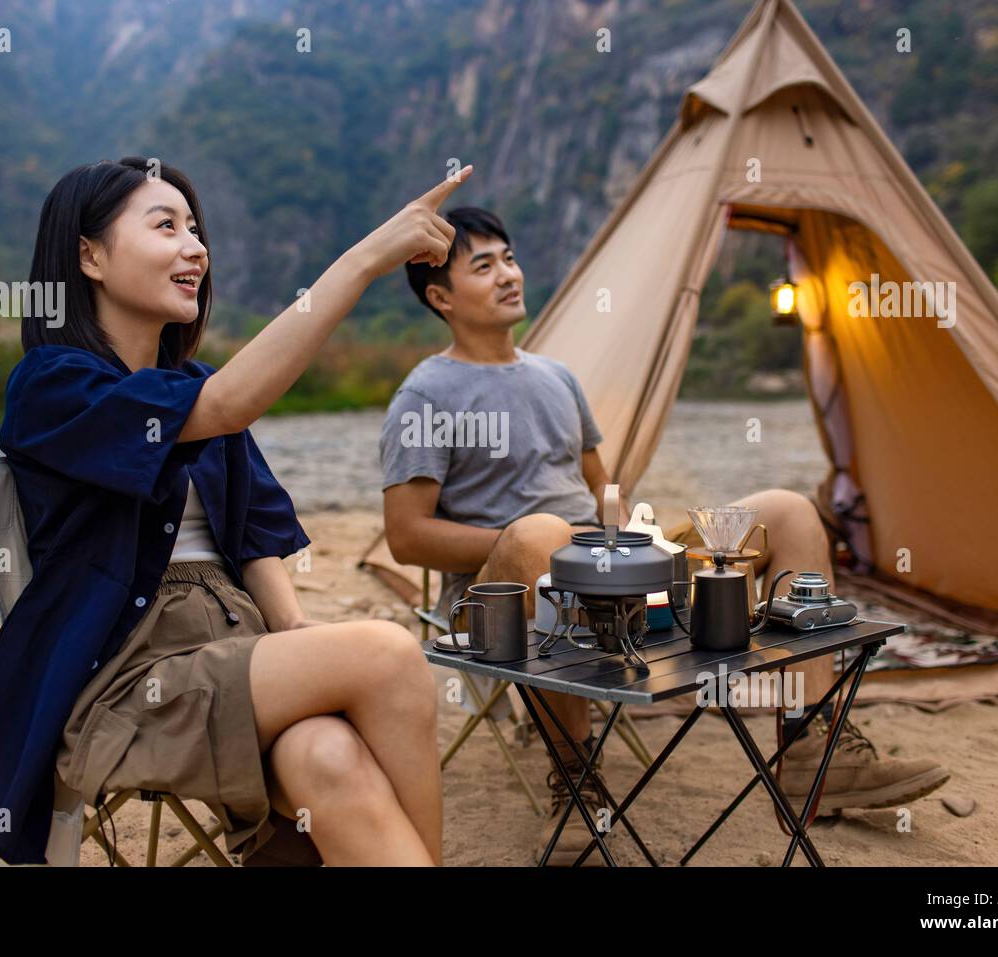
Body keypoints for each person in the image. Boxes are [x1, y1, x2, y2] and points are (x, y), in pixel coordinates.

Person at [379, 207, 950, 865]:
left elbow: (606, 489)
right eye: (485, 266)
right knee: (542, 533)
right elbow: (407, 536)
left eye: (509, 257)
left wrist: (625, 537)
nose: (509, 274)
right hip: (503, 597)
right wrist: (553, 544)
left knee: (788, 511)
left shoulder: (556, 377)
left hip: (609, 567)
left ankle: (808, 740)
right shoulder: (425, 394)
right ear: (441, 297)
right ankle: (574, 780)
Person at [0, 156, 475, 867]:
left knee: (325, 755)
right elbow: (230, 404)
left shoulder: (195, 385)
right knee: (390, 652)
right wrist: (366, 258)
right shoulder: (52, 388)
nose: (196, 246)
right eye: (165, 225)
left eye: (196, 227)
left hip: (235, 650)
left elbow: (256, 534)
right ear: (89, 255)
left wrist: (301, 636)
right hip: (121, 678)